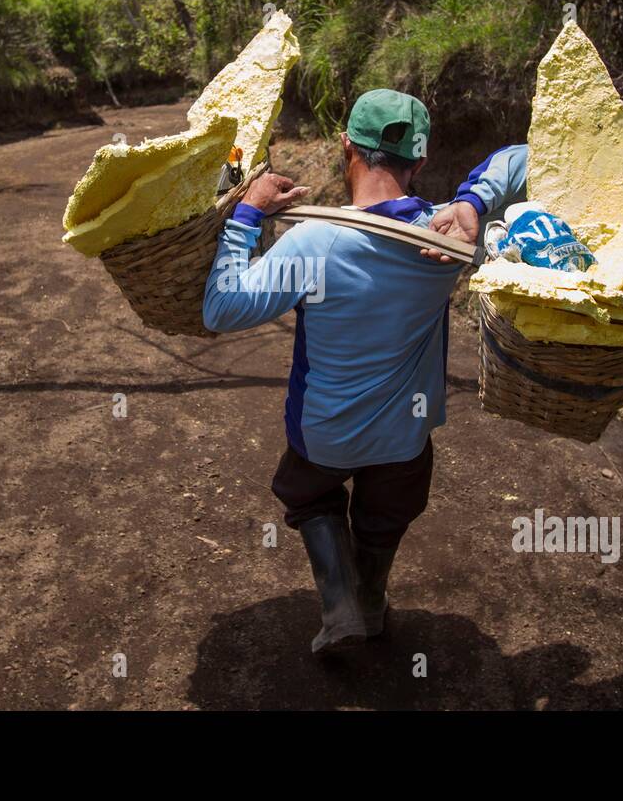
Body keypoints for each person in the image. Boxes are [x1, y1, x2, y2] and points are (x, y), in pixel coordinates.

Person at [202, 89, 527, 653]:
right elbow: (527, 155)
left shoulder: (315, 240)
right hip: (404, 438)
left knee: (309, 493)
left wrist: (247, 214)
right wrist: (474, 200)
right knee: (384, 515)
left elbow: (221, 306)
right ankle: (371, 602)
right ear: (420, 163)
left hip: (325, 435)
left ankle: (340, 604)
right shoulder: (446, 238)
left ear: (345, 146)